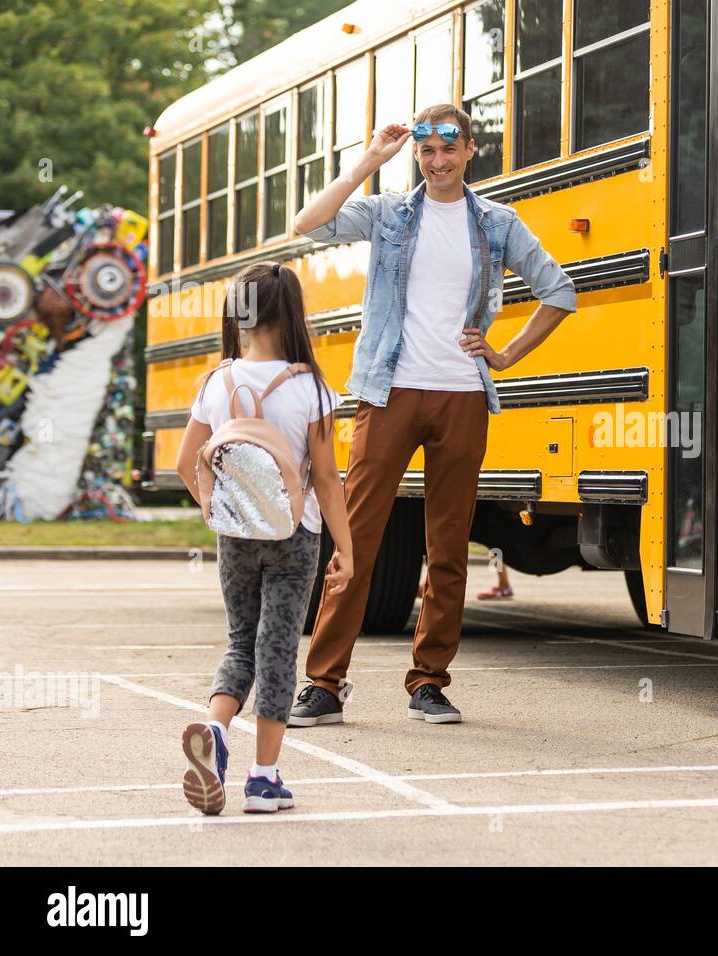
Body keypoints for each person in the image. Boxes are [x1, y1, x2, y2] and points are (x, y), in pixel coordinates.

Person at [289, 104, 574, 727]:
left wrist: (503, 354)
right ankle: (325, 684)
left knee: (446, 547)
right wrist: (370, 159)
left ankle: (429, 683)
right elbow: (307, 225)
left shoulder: (498, 223)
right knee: (353, 541)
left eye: (449, 149)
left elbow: (559, 291)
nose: (438, 160)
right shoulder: (391, 212)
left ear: (470, 150)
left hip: (462, 397)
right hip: (389, 392)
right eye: (426, 151)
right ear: (416, 154)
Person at [174, 262, 353, 814]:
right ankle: (264, 778)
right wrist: (346, 551)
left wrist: (217, 507)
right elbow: (325, 478)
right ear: (292, 314)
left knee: (238, 642)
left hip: (234, 535)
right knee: (276, 649)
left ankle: (215, 727)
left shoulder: (218, 381)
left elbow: (187, 462)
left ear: (239, 314)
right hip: (293, 537)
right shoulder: (310, 387)